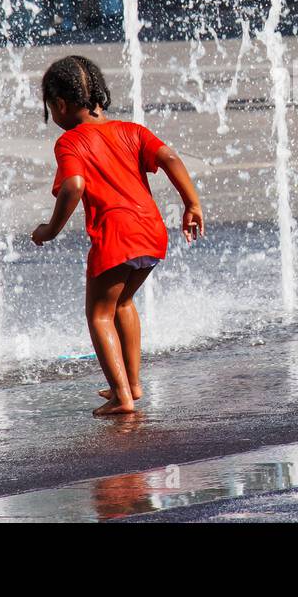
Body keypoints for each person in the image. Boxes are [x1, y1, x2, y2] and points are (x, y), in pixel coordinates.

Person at [31, 55, 204, 416]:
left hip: (115, 235)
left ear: (60, 105)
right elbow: (170, 157)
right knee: (123, 303)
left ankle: (121, 396)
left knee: (98, 315)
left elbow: (74, 185)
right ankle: (133, 384)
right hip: (151, 231)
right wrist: (192, 203)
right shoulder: (132, 130)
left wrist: (50, 229)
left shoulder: (70, 143)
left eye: (51, 108)